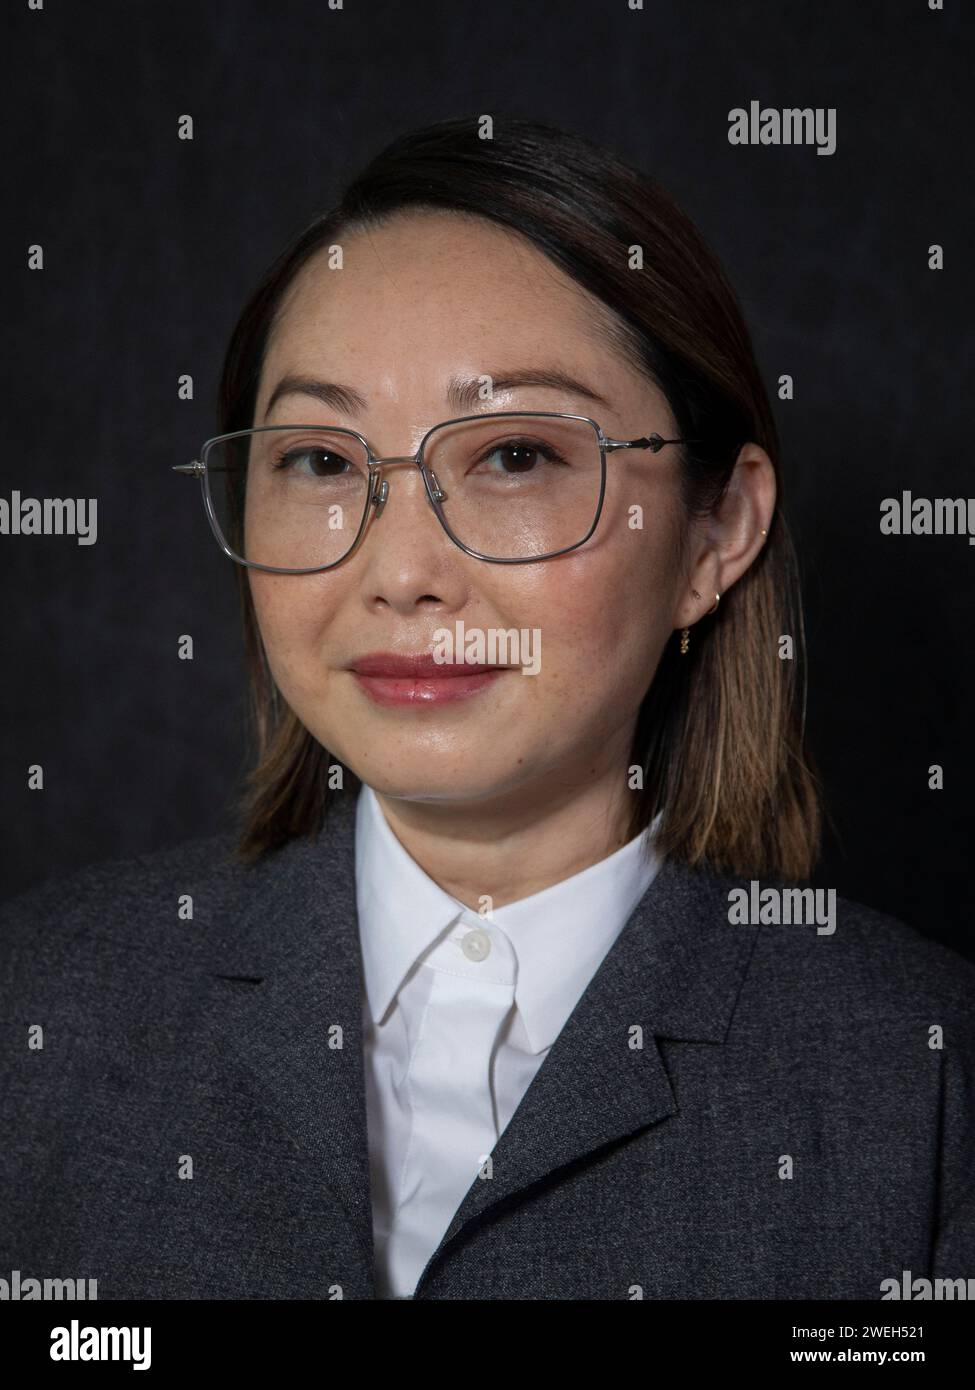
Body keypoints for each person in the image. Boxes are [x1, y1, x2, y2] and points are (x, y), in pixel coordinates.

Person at [1, 115, 972, 1301]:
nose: (401, 569)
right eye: (320, 460)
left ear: (715, 533)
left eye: (514, 454)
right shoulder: (36, 1009)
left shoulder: (925, 1084)